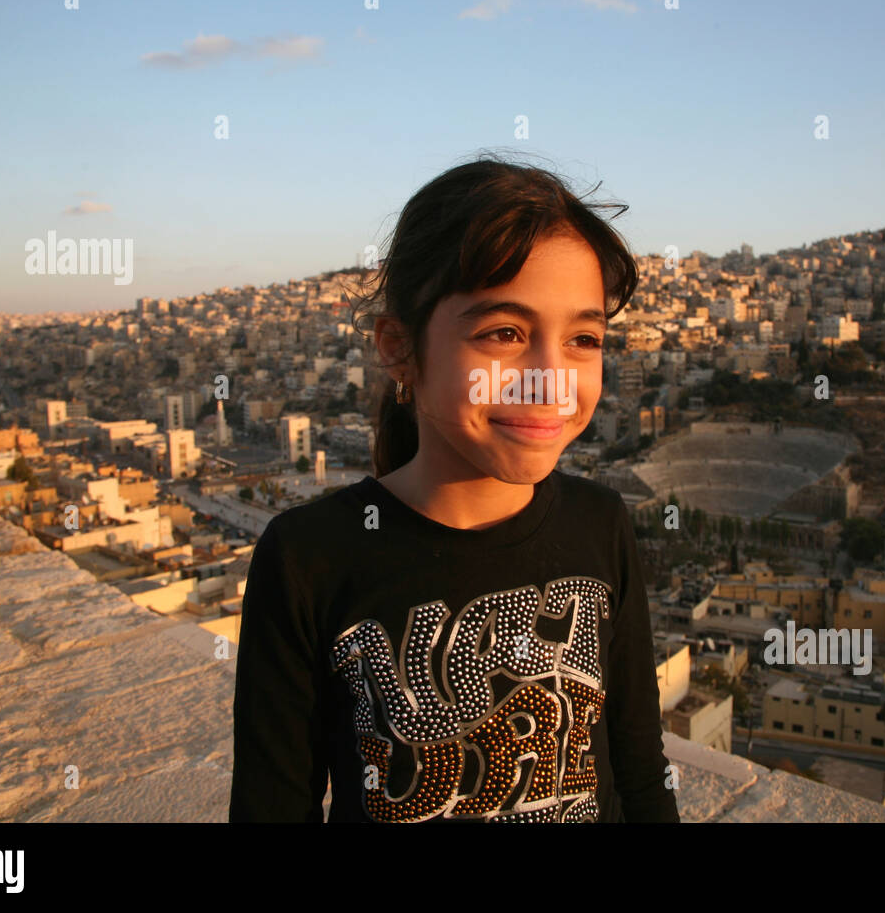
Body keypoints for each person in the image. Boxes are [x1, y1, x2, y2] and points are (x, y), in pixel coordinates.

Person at [229, 153, 680, 823]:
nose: (550, 378)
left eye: (584, 338)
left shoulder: (599, 522)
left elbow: (641, 773)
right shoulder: (308, 558)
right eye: (505, 332)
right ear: (399, 347)